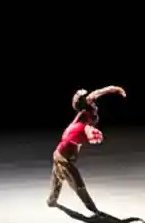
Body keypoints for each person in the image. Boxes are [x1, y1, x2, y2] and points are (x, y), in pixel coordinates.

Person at [47, 85, 126, 213]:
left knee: (57, 178)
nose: (95, 106)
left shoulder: (87, 110)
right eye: (92, 104)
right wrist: (89, 135)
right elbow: (69, 134)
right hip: (63, 158)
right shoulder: (81, 123)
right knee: (78, 184)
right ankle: (93, 209)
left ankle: (51, 200)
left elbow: (96, 93)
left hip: (60, 153)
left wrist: (114, 89)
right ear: (86, 107)